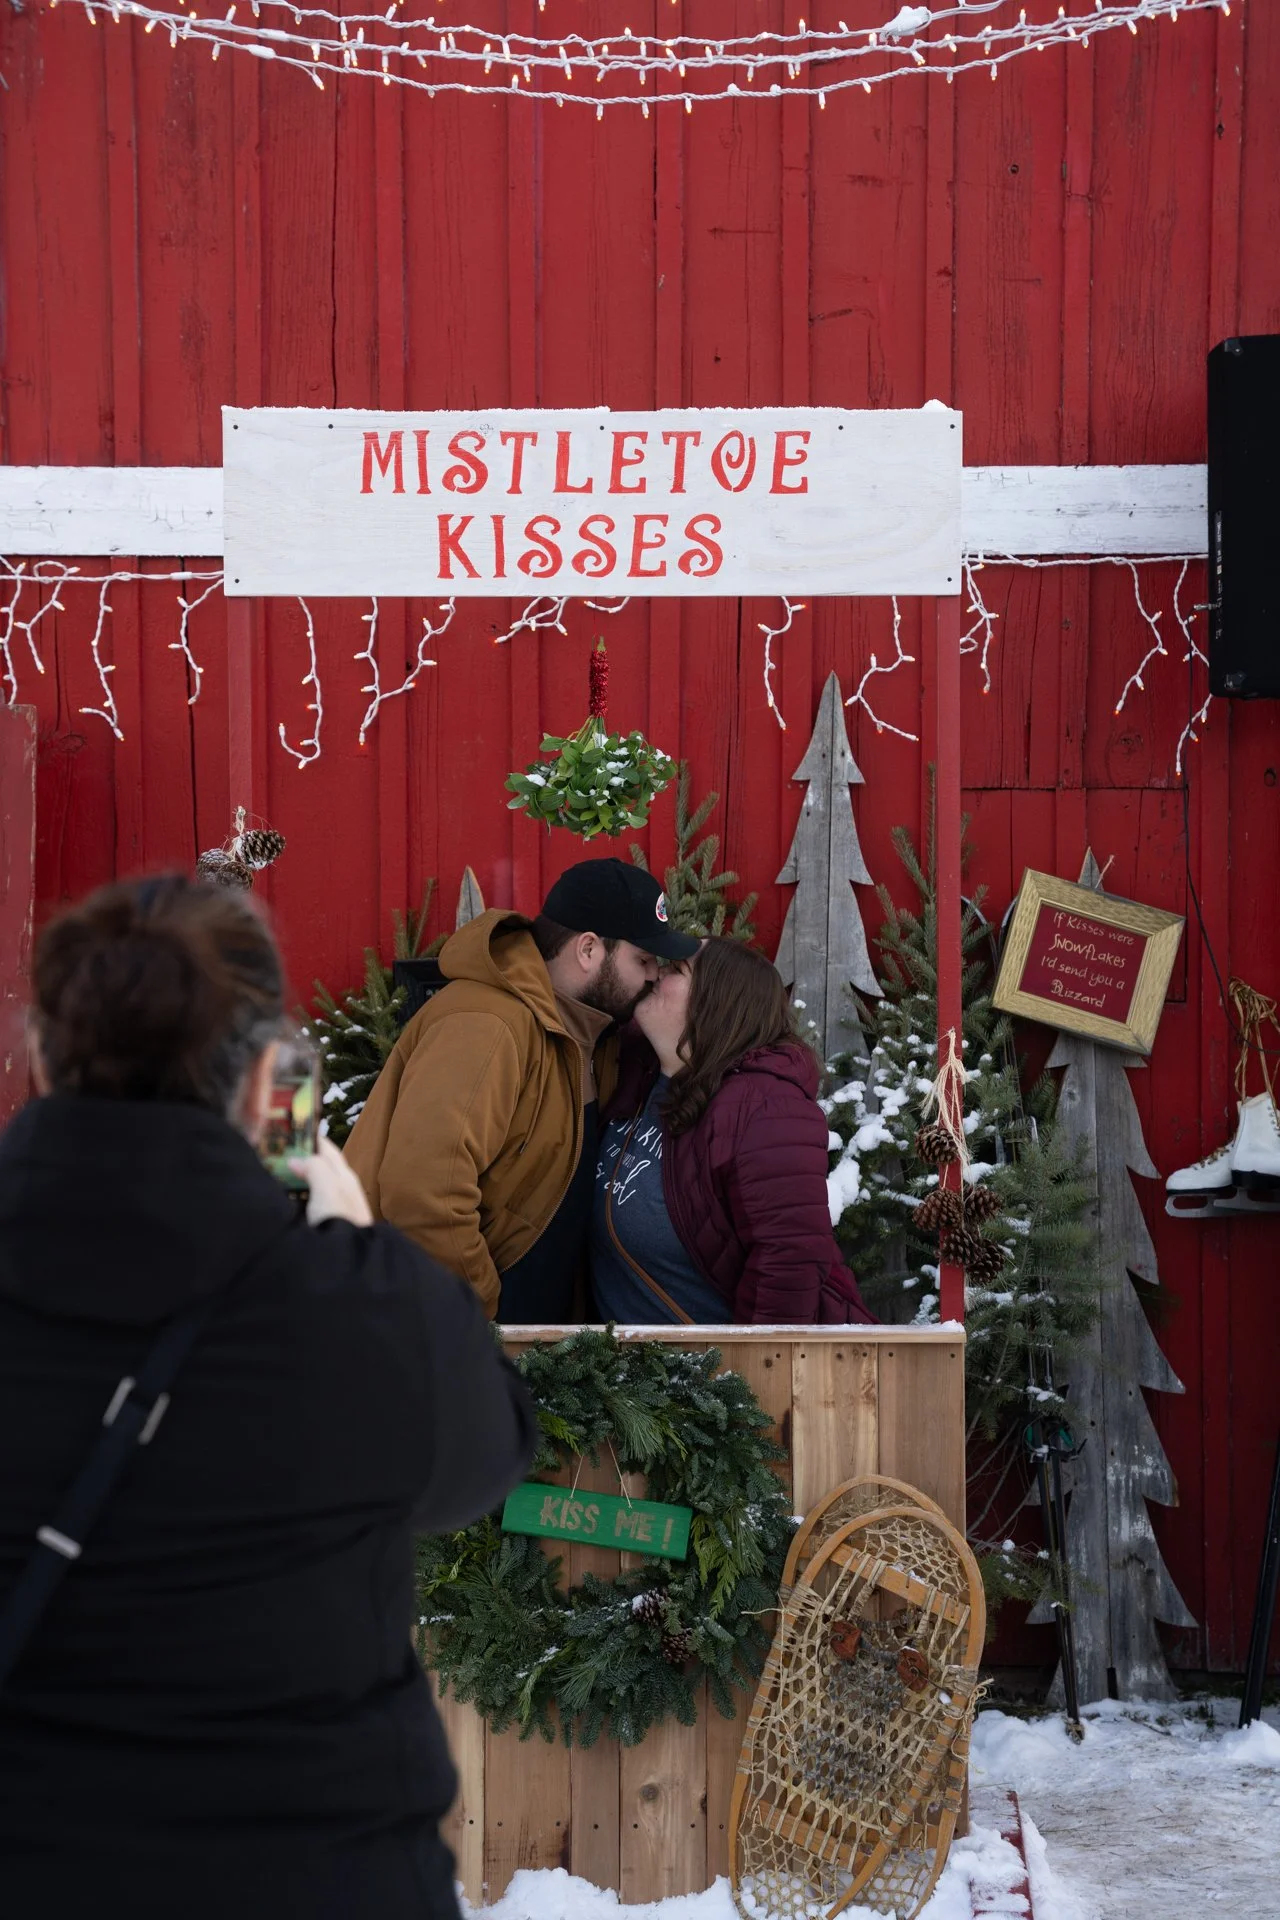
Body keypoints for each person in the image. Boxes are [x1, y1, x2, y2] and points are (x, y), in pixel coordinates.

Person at [0, 875, 537, 1920]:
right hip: (316, 1880)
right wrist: (350, 1237)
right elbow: (487, 1454)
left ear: (48, 1056)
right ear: (264, 1084)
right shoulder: (359, 1310)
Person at [345, 858, 698, 1324]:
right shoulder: (486, 1025)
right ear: (589, 949)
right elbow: (423, 1190)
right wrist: (481, 1317)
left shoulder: (591, 1034)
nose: (654, 974)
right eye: (643, 959)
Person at [592, 938, 872, 1325]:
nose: (655, 972)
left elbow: (789, 1262)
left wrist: (746, 1380)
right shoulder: (638, 1075)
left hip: (714, 1376)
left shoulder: (765, 1107)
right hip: (634, 1374)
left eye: (676, 970)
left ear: (716, 1003)